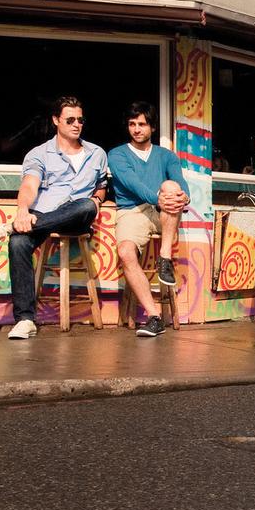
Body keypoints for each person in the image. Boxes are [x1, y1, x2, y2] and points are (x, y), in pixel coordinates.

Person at [0, 94, 109, 340]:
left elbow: (101, 186)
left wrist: (98, 200)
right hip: (43, 214)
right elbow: (29, 186)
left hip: (78, 216)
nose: (76, 124)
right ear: (56, 120)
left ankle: (8, 227)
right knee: (18, 243)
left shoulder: (97, 153)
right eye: (70, 120)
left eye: (80, 120)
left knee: (87, 206)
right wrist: (22, 211)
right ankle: (25, 320)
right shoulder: (39, 153)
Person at [107, 101, 191, 338]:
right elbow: (132, 182)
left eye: (142, 124)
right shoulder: (117, 154)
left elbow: (179, 181)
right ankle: (155, 317)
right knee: (125, 251)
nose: (136, 129)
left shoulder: (166, 155)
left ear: (152, 127)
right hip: (132, 211)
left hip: (162, 212)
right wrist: (158, 198)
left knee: (172, 186)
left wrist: (183, 196)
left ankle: (165, 258)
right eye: (132, 124)